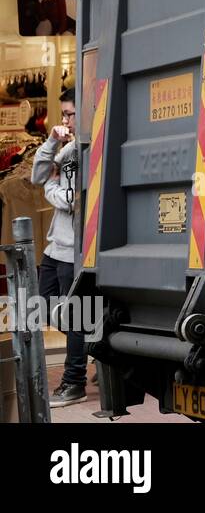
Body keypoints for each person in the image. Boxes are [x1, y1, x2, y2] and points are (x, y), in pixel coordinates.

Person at [33, 89, 87, 407]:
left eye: (69, 114)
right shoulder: (67, 148)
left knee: (76, 315)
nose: (65, 120)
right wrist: (52, 141)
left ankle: (74, 381)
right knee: (44, 306)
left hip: (74, 248)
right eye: (63, 114)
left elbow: (72, 200)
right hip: (56, 246)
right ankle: (94, 344)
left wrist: (50, 186)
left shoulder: (87, 150)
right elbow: (36, 176)